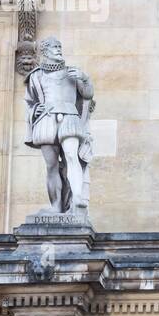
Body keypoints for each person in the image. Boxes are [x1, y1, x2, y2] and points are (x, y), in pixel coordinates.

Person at [25, 36, 94, 218]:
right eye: (54, 47)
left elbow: (87, 94)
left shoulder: (73, 73)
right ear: (44, 51)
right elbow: (30, 102)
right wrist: (34, 110)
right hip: (46, 119)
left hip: (69, 116)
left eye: (59, 46)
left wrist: (85, 79)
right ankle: (56, 205)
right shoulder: (36, 76)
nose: (58, 49)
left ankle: (78, 198)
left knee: (72, 156)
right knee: (52, 166)